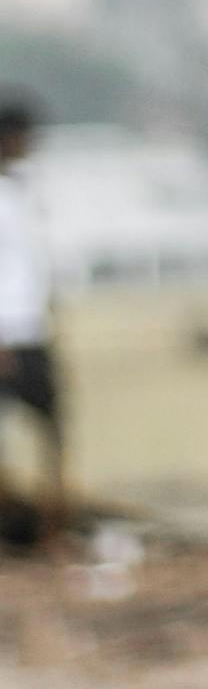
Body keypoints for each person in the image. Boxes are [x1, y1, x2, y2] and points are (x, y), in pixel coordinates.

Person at [0, 97, 66, 544]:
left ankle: (50, 516)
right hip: (8, 332)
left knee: (52, 422)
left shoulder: (23, 189)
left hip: (32, 326)